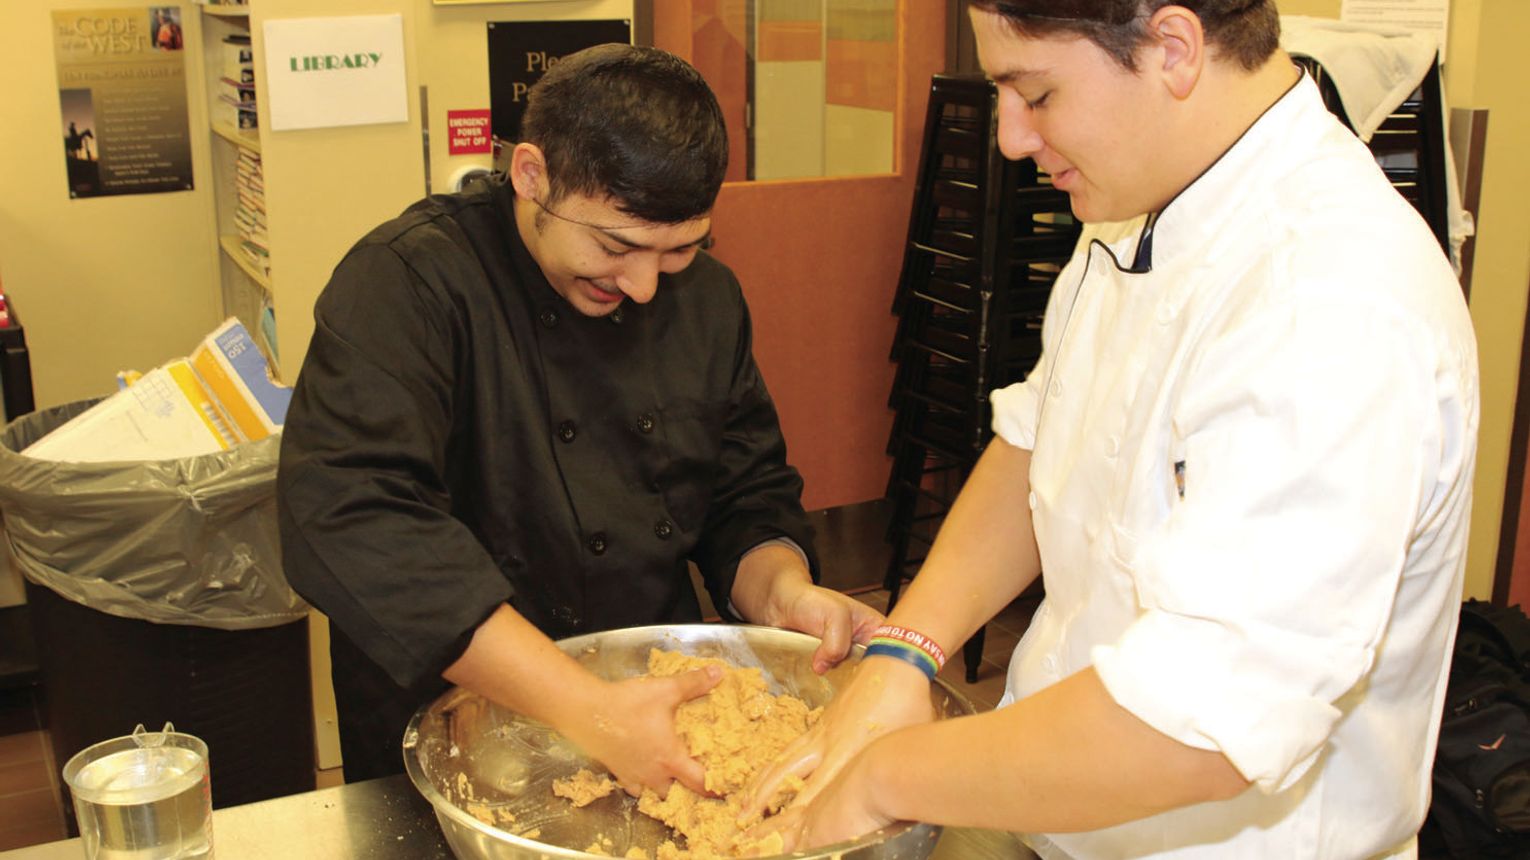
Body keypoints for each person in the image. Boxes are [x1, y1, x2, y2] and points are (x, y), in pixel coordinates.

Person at [742, 2, 1478, 857]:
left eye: (1038, 93)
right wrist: (906, 650)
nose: (1012, 137)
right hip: (1047, 795)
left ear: (1172, 48)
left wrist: (884, 775)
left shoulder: (1332, 298)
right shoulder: (1143, 197)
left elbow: (1199, 724)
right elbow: (1039, 445)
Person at [277, 44, 881, 792]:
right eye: (615, 245)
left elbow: (743, 493)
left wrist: (783, 591)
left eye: (683, 249)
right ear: (531, 176)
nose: (646, 285)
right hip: (452, 715)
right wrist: (585, 709)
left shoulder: (709, 300)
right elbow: (349, 514)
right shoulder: (408, 283)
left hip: (654, 703)